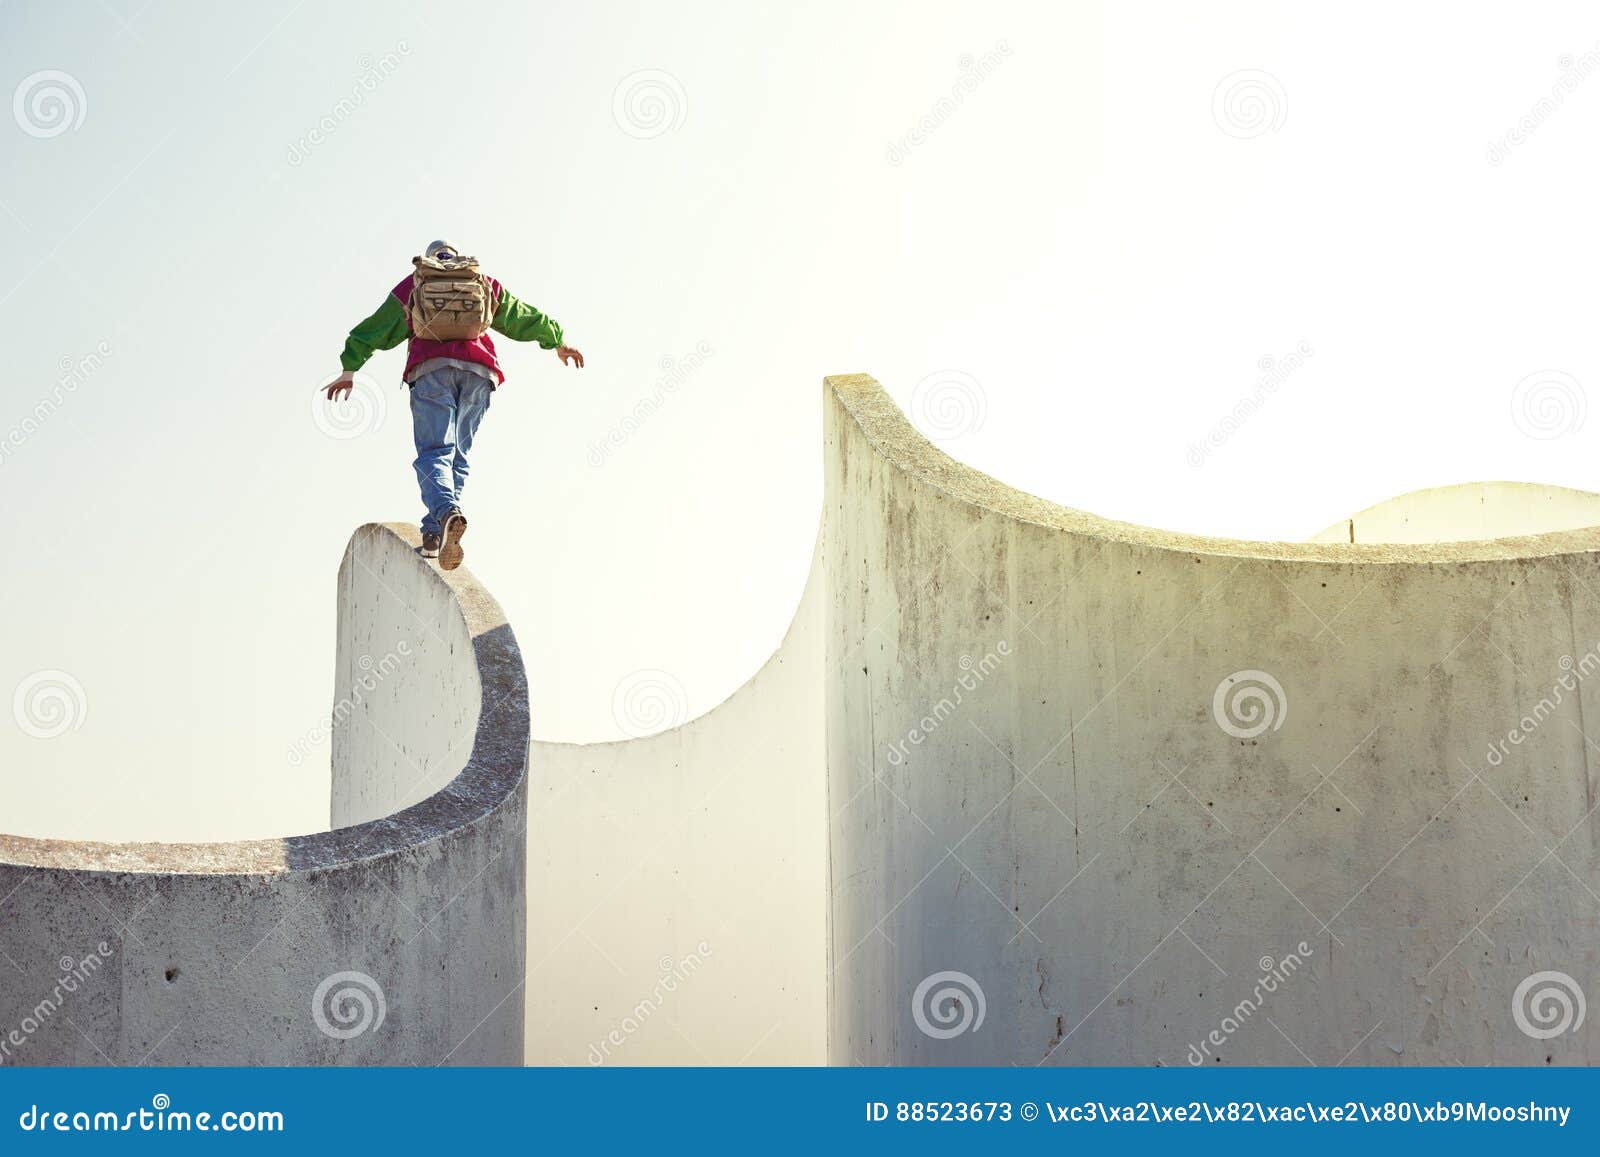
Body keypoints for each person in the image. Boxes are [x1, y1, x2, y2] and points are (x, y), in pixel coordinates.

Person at [326, 240, 583, 570]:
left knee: (435, 452)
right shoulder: (481, 282)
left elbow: (377, 327)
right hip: (480, 374)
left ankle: (445, 512)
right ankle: (436, 531)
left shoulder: (416, 284)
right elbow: (522, 316)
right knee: (458, 456)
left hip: (431, 371)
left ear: (431, 260)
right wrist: (557, 341)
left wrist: (350, 368)